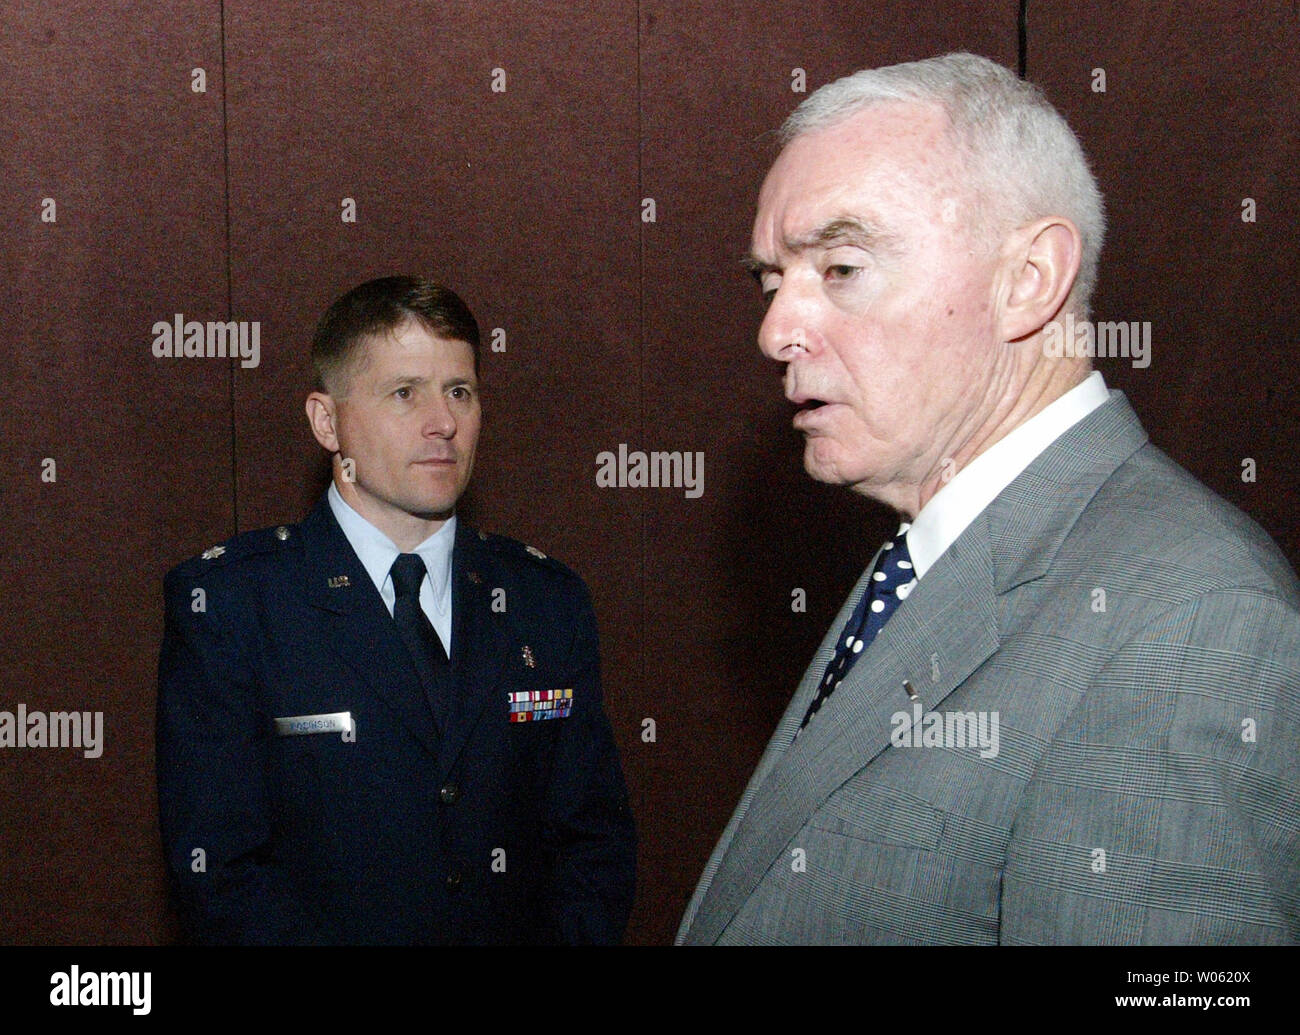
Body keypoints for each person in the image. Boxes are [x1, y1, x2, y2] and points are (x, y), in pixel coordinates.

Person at [677, 53, 1300, 945]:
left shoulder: (1196, 625)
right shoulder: (930, 552)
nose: (776, 330)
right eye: (772, 283)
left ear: (1030, 280)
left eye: (842, 267)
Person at [157, 275, 636, 945]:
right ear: (328, 421)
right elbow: (221, 874)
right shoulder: (235, 606)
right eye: (404, 392)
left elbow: (594, 843)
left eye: (459, 392)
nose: (441, 422)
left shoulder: (543, 601)